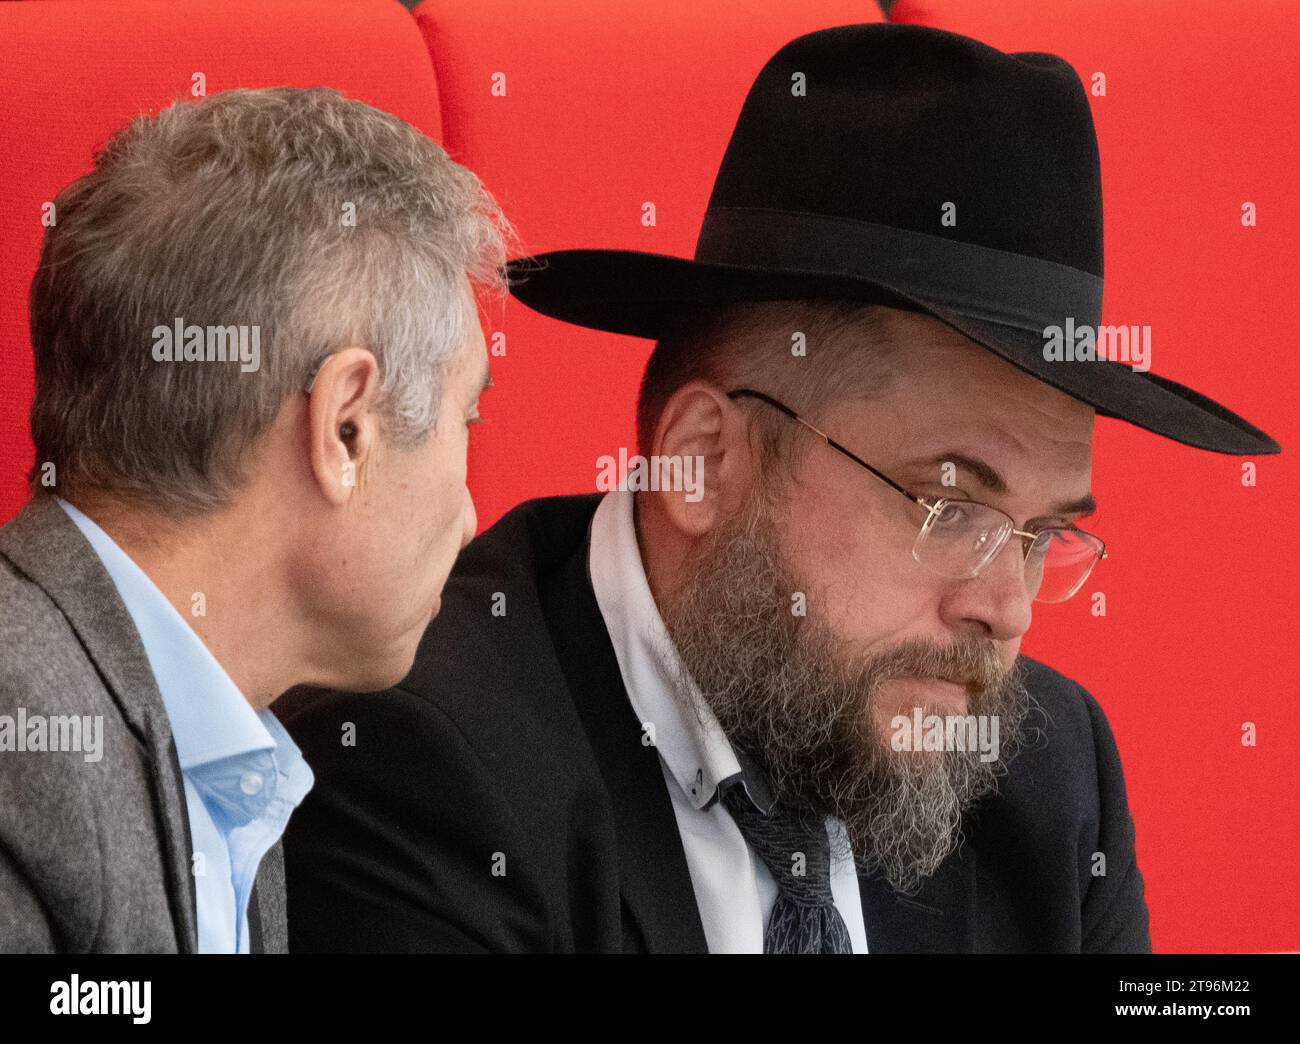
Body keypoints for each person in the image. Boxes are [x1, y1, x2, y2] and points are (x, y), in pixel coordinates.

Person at [279, 25, 1279, 953]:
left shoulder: (1051, 775)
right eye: (949, 505)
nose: (1005, 609)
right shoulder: (421, 756)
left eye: (1041, 533)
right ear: (706, 460)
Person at [0, 86, 509, 952]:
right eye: (467, 419)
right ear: (346, 427)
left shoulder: (231, 758)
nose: (470, 520)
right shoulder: (25, 750)